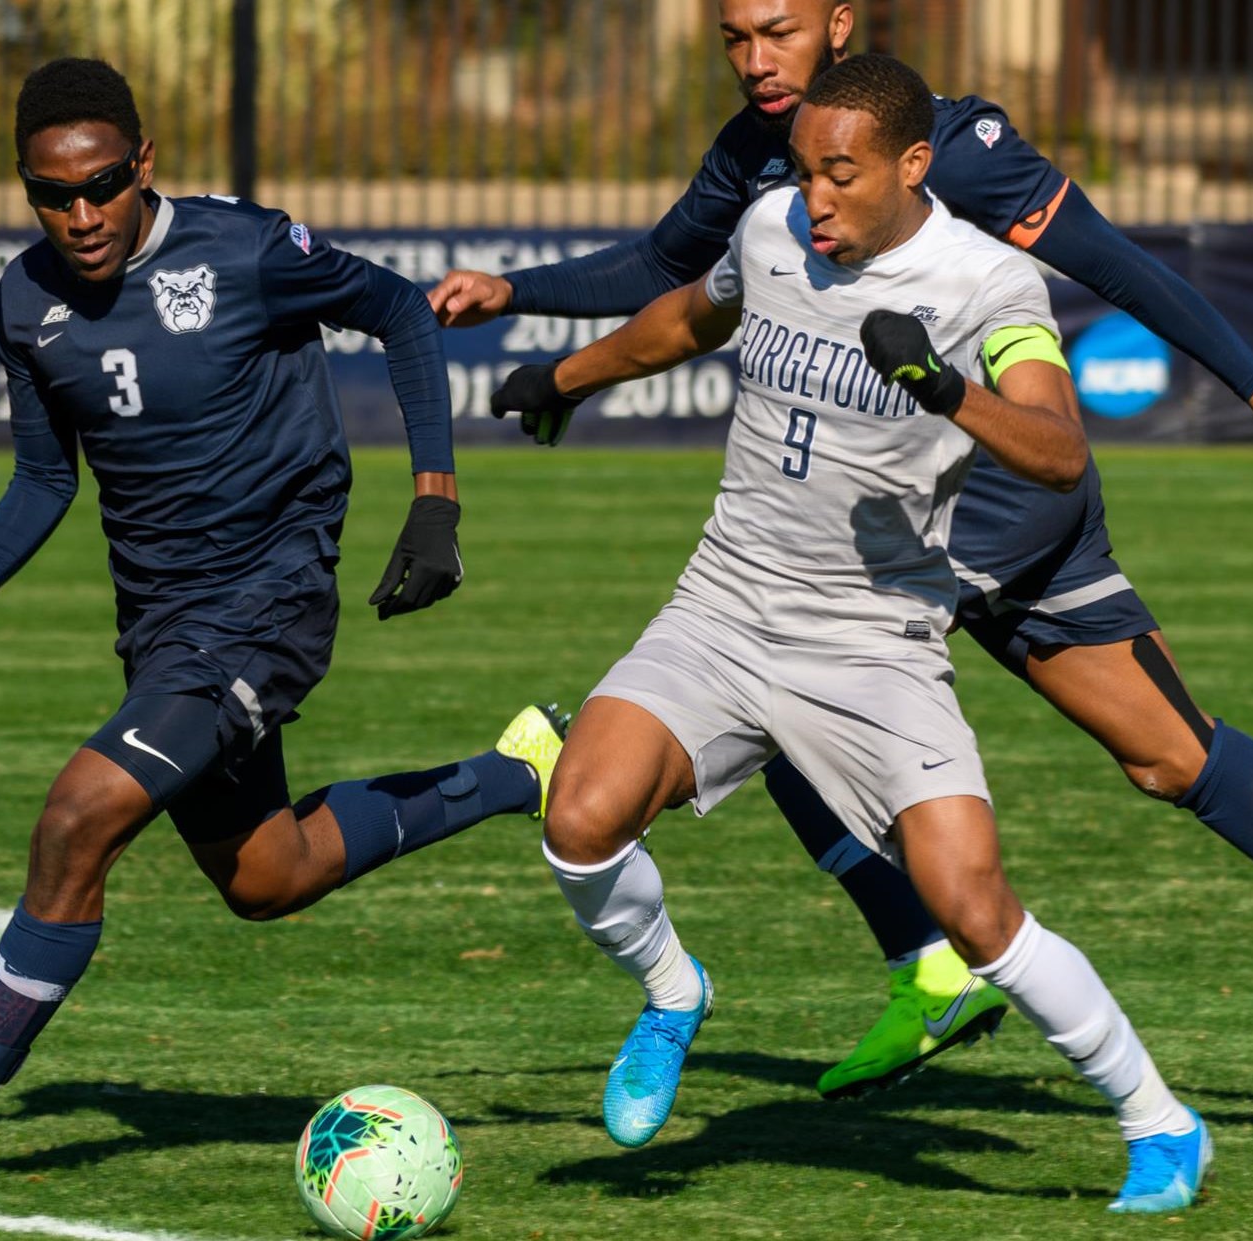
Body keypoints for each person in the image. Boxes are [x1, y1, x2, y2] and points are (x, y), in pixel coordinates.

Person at [446, 0, 1253, 1112]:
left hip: (979, 496)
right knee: (1166, 754)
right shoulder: (762, 152)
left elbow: (1112, 263)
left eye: (779, 31)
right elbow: (669, 272)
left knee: (793, 666)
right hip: (969, 504)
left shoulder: (954, 150)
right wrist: (525, 307)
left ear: (840, 27)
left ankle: (931, 962)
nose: (758, 61)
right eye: (735, 39)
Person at [0, 58, 567, 1174]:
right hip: (164, 624)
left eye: (102, 185)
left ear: (143, 161)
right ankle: (521, 768)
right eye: (51, 195)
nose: (80, 215)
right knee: (270, 874)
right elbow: (42, 480)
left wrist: (435, 504)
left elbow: (400, 311)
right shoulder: (25, 300)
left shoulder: (247, 250)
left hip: (268, 599)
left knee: (76, 820)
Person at [500, 54, 1212, 1214]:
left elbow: (1057, 449)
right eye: (803, 170)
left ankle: (1159, 1121)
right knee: (579, 820)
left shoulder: (986, 285)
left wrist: (943, 389)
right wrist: (564, 377)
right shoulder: (774, 226)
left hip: (870, 640)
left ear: (912, 165)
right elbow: (692, 311)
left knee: (971, 907)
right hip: (723, 605)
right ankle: (675, 994)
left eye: (842, 173)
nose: (815, 195)